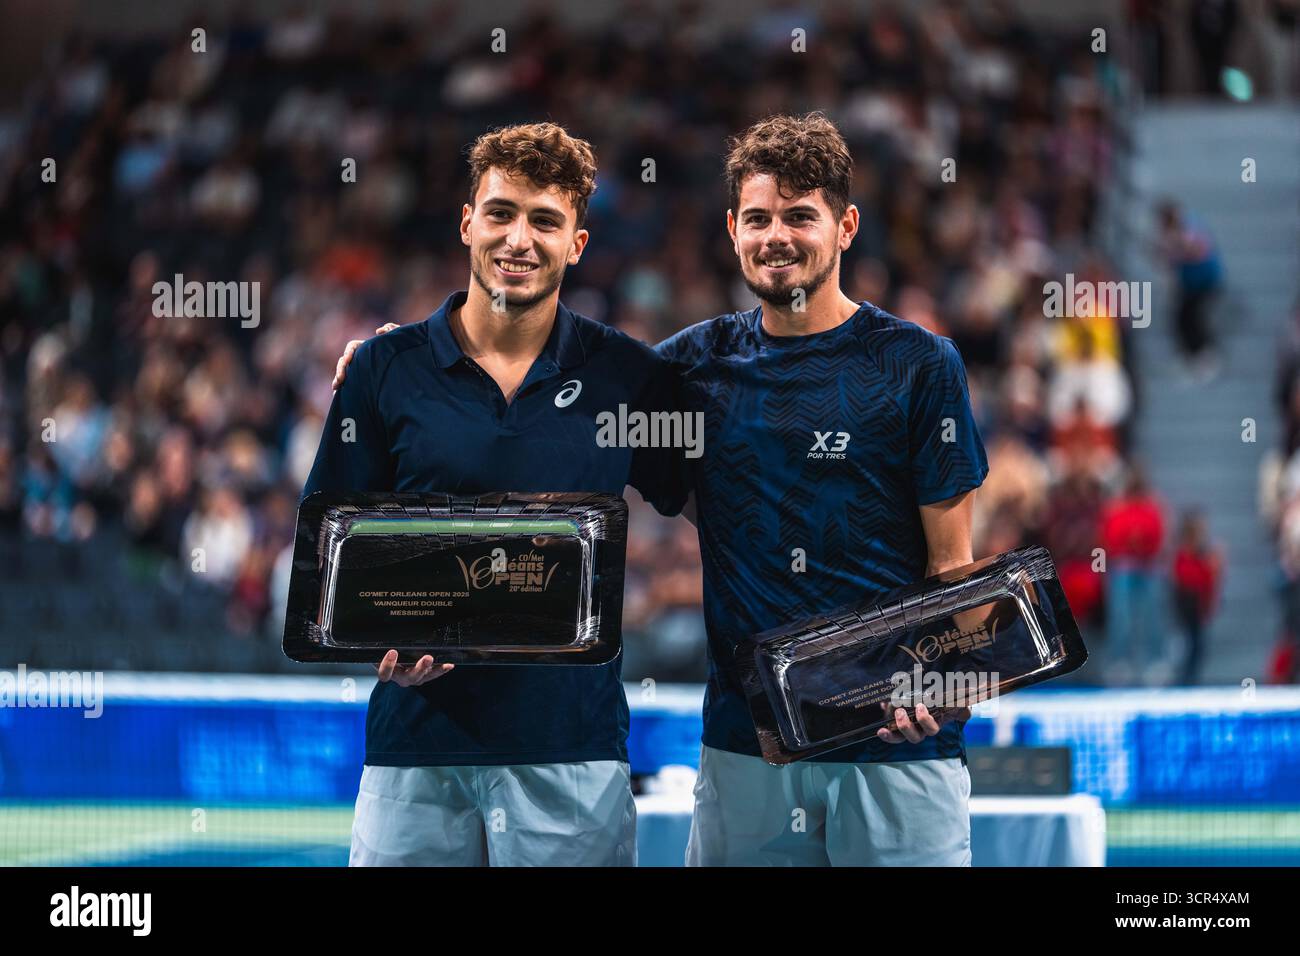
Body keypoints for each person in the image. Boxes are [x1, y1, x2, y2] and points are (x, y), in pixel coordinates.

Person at [337, 113, 989, 866]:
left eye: (800, 217)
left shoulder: (921, 365)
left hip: (896, 745)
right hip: (750, 748)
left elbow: (954, 570)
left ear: (845, 226)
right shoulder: (685, 372)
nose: (777, 235)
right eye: (758, 217)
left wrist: (938, 687)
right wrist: (398, 357)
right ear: (733, 229)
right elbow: (546, 403)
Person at [305, 122, 688, 866]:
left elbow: (714, 502)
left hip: (573, 758)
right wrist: (372, 637)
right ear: (467, 223)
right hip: (413, 753)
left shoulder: (628, 378)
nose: (519, 238)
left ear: (576, 242)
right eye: (502, 212)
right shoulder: (385, 369)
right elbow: (328, 551)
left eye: (545, 220)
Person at [1170, 509, 1221, 684]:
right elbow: (1187, 578)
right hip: (1187, 608)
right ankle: (1183, 680)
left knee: (1198, 647)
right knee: (1189, 646)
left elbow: (1208, 581)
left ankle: (1190, 679)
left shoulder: (1202, 554)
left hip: (1198, 607)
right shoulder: (1184, 555)